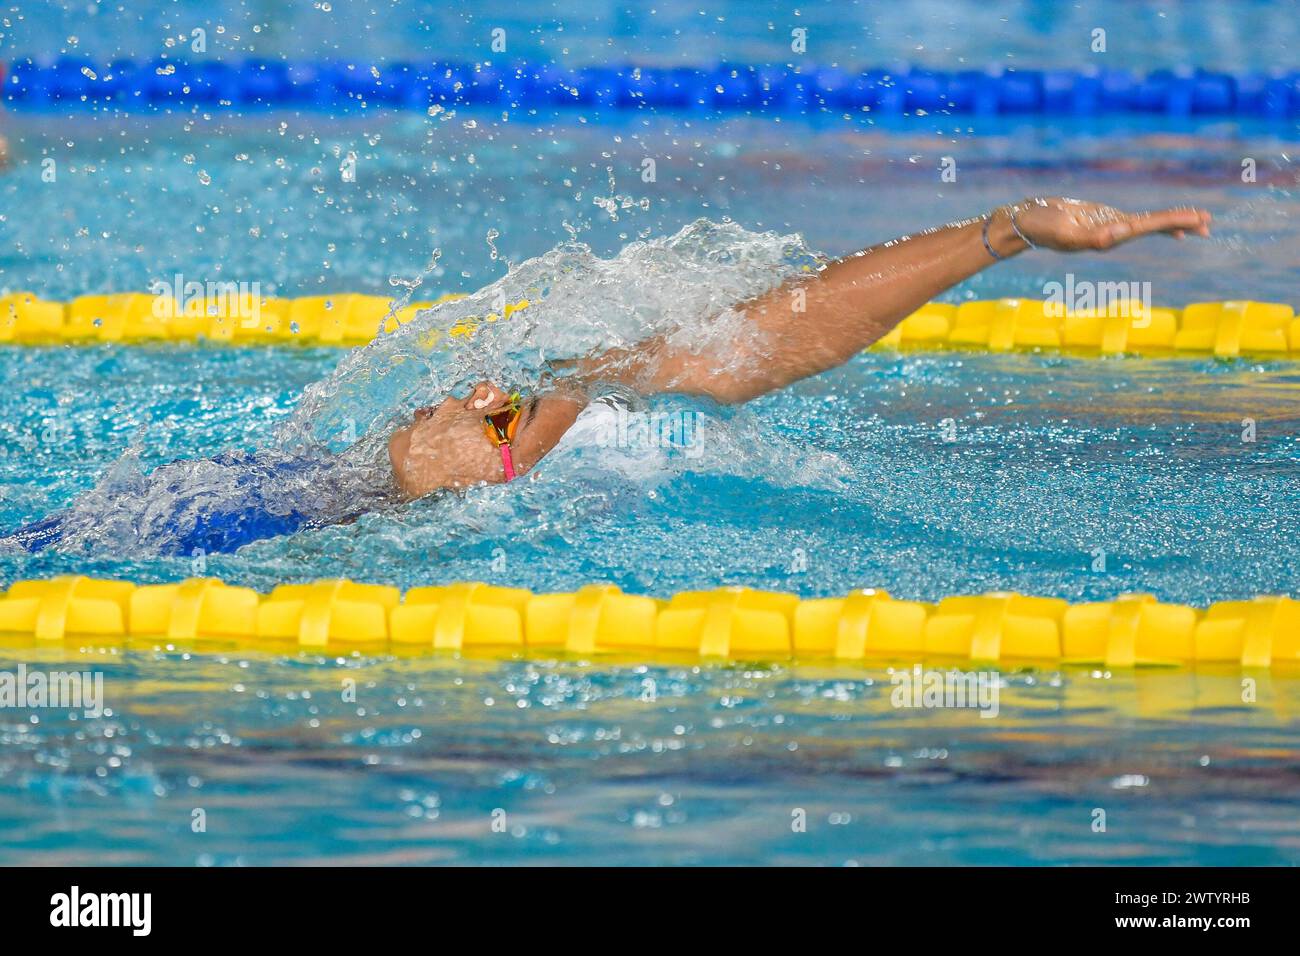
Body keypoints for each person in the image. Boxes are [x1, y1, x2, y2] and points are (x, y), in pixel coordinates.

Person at [6, 197, 1211, 555]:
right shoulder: (524, 407)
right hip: (201, 530)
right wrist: (997, 235)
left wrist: (1000, 235)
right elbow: (754, 353)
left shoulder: (561, 391)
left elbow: (757, 350)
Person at [386, 197, 1212, 497]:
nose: (472, 391)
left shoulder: (591, 401)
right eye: (478, 408)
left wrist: (1008, 232)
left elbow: (770, 339)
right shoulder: (437, 466)